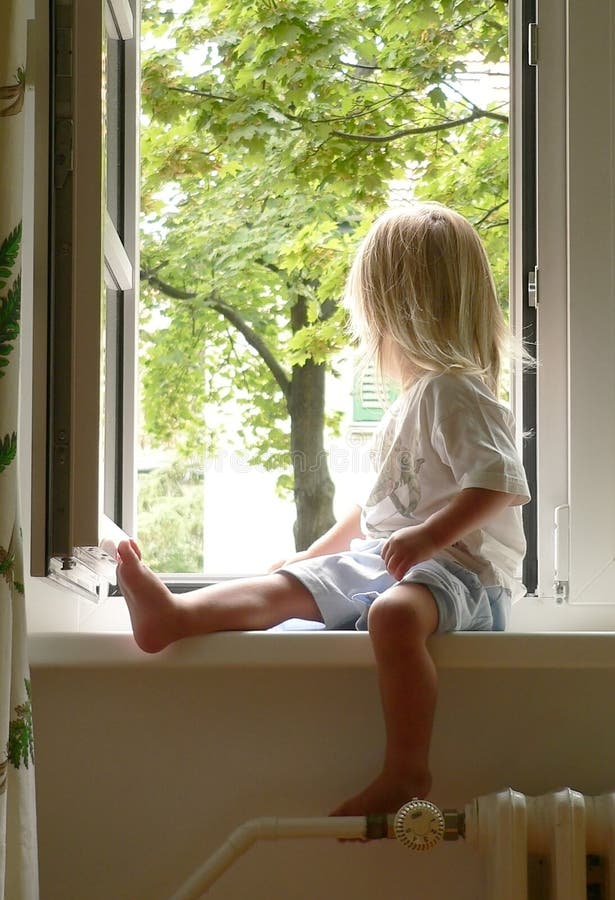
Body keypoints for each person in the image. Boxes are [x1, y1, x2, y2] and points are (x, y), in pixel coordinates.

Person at [116, 202, 530, 818]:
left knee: (392, 618)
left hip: (465, 574)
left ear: (395, 312)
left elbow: (499, 483)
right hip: (405, 562)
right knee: (289, 584)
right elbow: (375, 510)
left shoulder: (455, 391)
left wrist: (424, 538)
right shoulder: (410, 403)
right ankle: (172, 617)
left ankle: (407, 770)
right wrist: (315, 555)